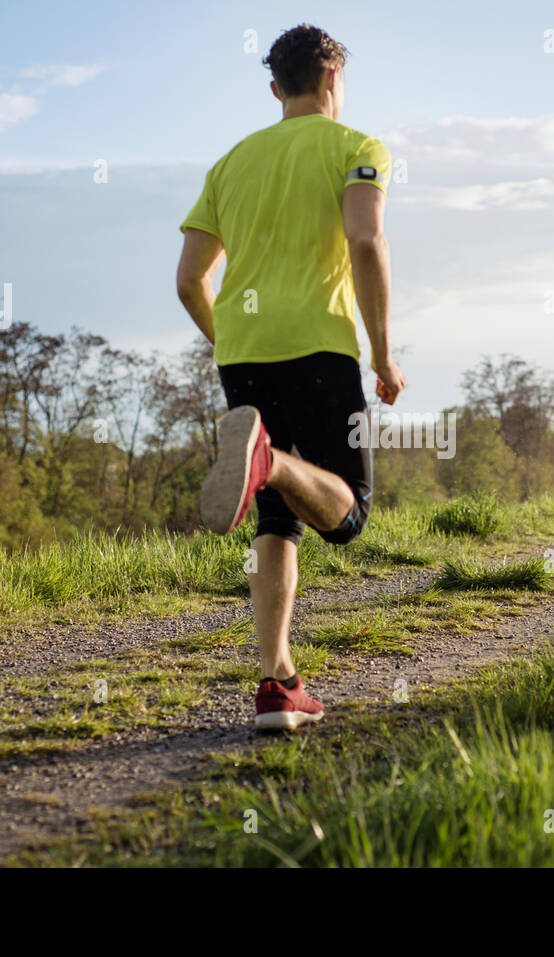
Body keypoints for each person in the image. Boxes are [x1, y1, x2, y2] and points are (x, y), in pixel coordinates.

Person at [175, 23, 405, 731]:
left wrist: (233, 341)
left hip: (242, 351)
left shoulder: (231, 162)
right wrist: (383, 351)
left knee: (277, 514)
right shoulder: (357, 148)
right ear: (333, 78)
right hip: (318, 348)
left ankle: (278, 683)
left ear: (276, 87)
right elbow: (365, 240)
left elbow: (189, 282)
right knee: (348, 513)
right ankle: (267, 458)